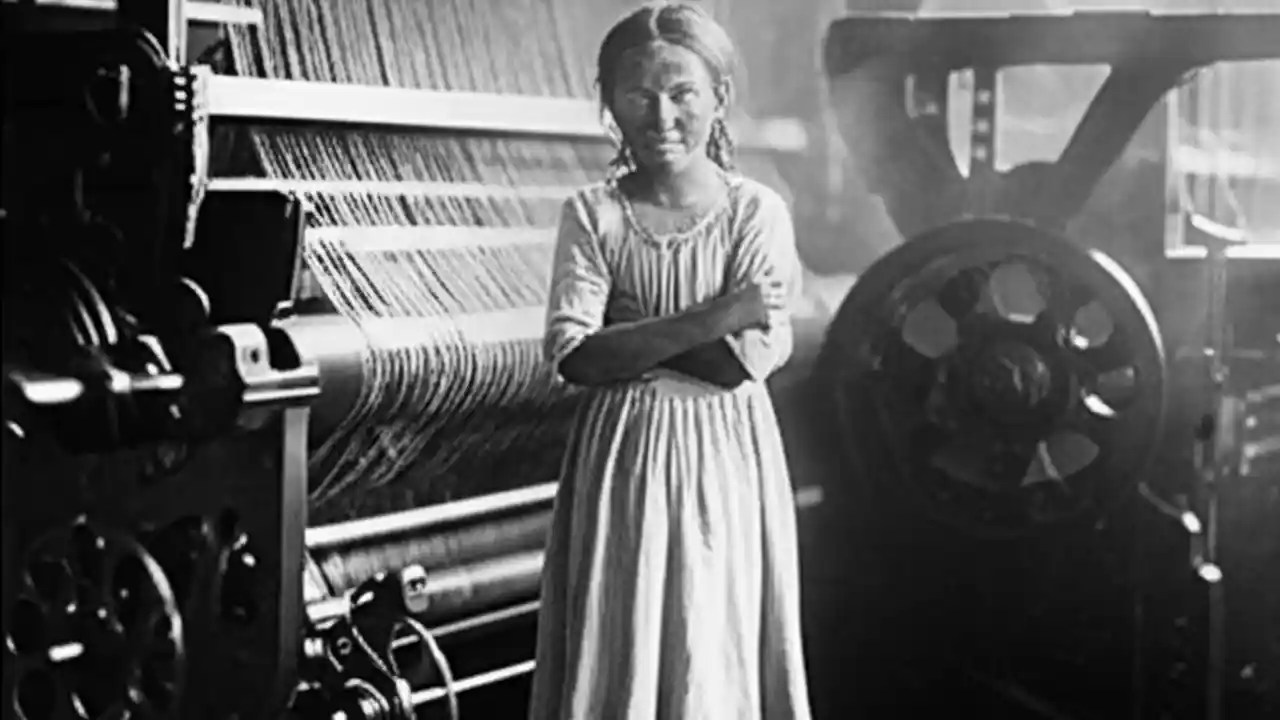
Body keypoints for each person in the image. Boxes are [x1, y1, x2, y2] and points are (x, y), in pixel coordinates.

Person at [528, 2, 814, 718]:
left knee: (705, 653)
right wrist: (719, 312)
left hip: (721, 459)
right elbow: (576, 357)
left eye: (683, 93)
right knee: (622, 649)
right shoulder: (594, 215)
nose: (661, 115)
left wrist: (635, 344)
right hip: (621, 465)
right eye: (639, 95)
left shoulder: (757, 214)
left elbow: (739, 364)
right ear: (611, 105)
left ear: (719, 99)